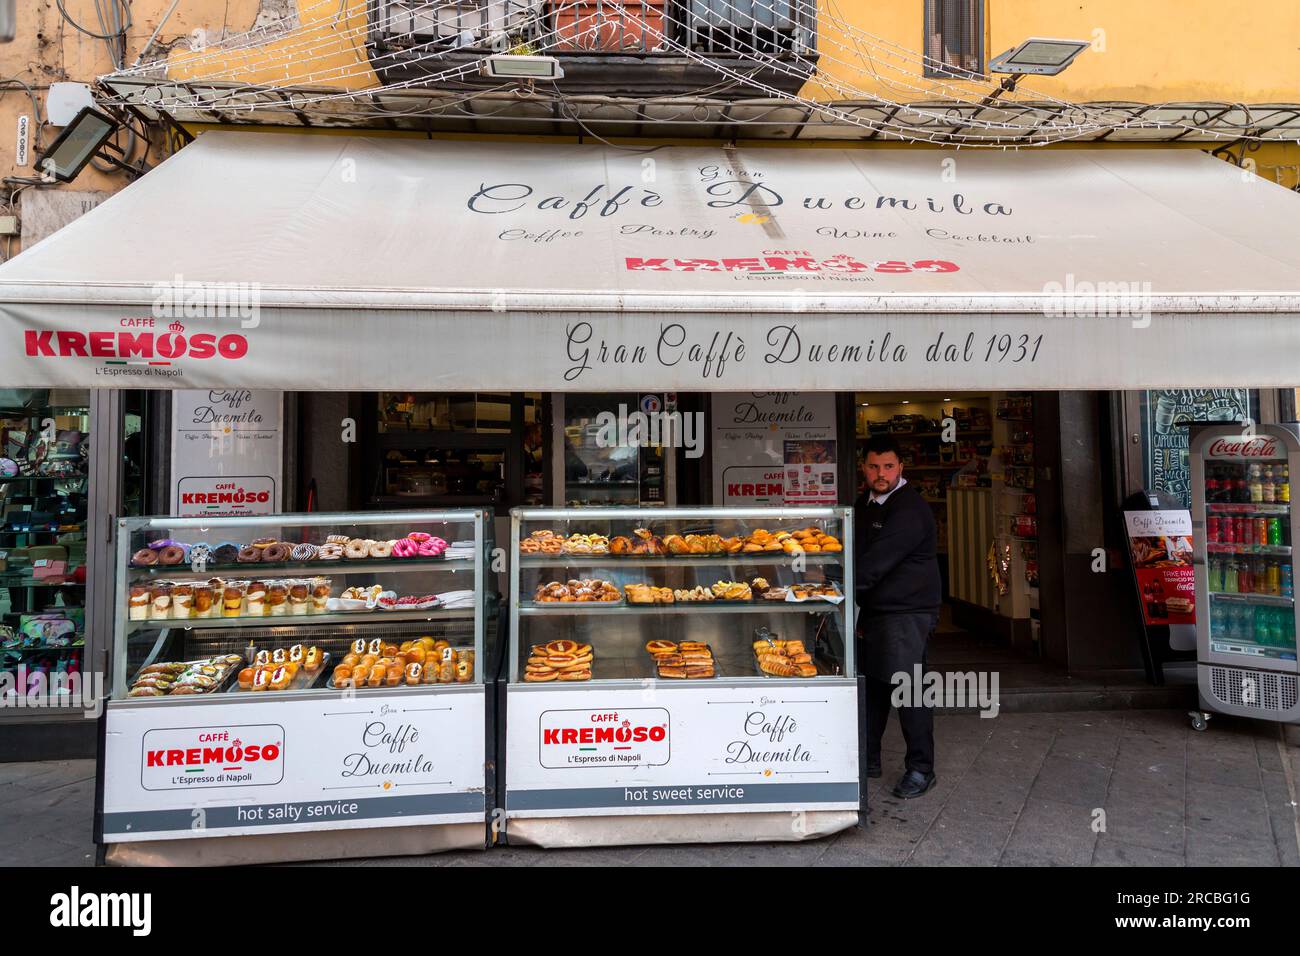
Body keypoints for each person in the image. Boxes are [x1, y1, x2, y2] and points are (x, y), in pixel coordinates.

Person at [854, 434, 942, 799]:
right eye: (874, 466)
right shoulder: (865, 503)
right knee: (874, 684)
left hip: (908, 611)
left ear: (901, 467)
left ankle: (922, 769)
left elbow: (876, 563)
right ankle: (869, 758)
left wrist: (837, 591)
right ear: (864, 467)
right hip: (876, 609)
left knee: (910, 689)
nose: (881, 473)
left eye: (888, 466)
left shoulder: (910, 509)